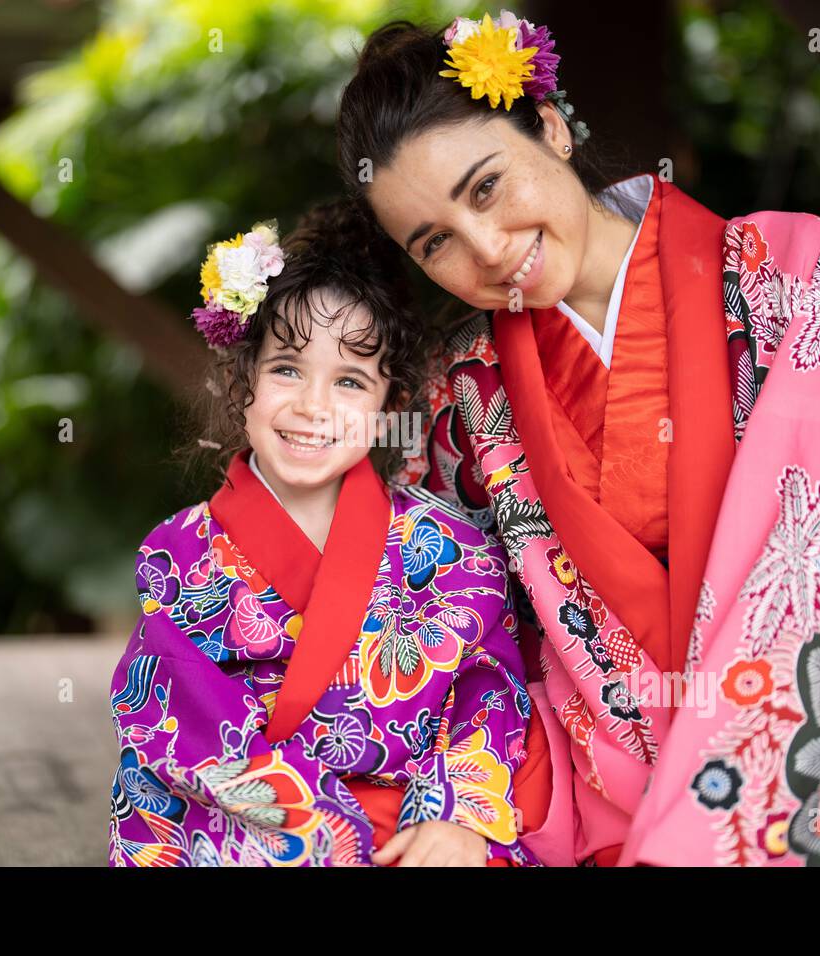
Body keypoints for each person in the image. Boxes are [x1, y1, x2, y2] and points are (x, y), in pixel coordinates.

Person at [335, 11, 820, 866]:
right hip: (601, 785)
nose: (486, 248)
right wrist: (462, 805)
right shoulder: (462, 399)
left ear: (547, 125)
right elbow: (468, 641)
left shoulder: (785, 269)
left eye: (486, 187)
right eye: (433, 241)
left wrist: (720, 745)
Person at [107, 200, 562, 867]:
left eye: (350, 381)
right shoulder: (177, 552)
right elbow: (171, 721)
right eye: (287, 368)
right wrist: (321, 836)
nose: (313, 407)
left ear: (389, 407)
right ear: (245, 380)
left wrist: (456, 820)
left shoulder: (451, 551)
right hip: (243, 828)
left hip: (411, 825)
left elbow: (485, 689)